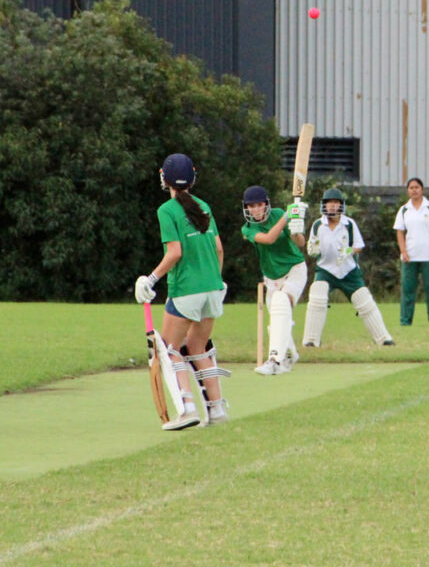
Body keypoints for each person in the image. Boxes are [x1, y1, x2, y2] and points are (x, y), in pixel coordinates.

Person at [134, 153, 228, 430]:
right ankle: (217, 408)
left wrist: (150, 279)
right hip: (213, 288)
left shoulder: (167, 210)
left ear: (165, 179)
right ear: (192, 178)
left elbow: (174, 252)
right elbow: (219, 249)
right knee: (198, 348)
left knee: (169, 348)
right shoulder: (204, 206)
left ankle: (187, 408)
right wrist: (216, 280)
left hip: (186, 289)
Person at [302, 188, 394, 347]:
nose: (332, 206)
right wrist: (312, 250)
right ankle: (311, 340)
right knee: (317, 295)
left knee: (364, 300)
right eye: (329, 203)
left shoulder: (349, 224)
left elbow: (359, 245)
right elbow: (312, 247)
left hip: (349, 270)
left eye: (335, 203)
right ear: (324, 205)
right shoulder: (318, 225)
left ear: (341, 205)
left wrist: (348, 251)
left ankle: (384, 339)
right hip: (325, 270)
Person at [241, 185, 308, 375]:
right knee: (279, 319)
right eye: (251, 206)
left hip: (295, 269)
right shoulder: (248, 229)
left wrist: (296, 229)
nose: (255, 210)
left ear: (266, 205)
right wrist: (287, 217)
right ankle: (289, 354)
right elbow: (269, 239)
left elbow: (300, 243)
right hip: (271, 278)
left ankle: (274, 361)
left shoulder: (277, 214)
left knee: (280, 302)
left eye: (259, 205)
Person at [394, 177, 429, 328]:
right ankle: (405, 321)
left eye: (417, 187)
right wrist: (403, 251)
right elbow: (400, 232)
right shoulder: (404, 210)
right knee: (408, 290)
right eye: (411, 188)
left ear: (422, 189)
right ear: (407, 191)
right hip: (410, 257)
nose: (414, 190)